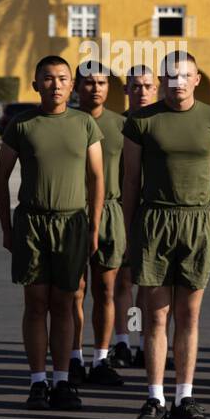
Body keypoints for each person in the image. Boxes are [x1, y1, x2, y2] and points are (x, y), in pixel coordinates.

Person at [122, 50, 210, 419]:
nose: (178, 82)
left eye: (185, 75)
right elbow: (130, 182)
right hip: (154, 221)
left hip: (197, 222)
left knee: (189, 315)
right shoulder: (140, 120)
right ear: (162, 80)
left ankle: (185, 397)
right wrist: (128, 233)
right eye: (171, 76)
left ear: (197, 79)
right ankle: (155, 397)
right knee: (155, 316)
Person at [0, 55, 103, 411]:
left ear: (71, 85)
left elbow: (96, 178)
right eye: (48, 78)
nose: (55, 84)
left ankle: (62, 381)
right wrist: (7, 228)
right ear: (35, 83)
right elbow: (0, 177)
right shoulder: (21, 125)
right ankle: (37, 381)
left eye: (61, 78)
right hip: (32, 225)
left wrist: (94, 226)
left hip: (72, 223)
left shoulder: (85, 124)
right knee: (36, 304)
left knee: (65, 303)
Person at [69, 61, 127, 387]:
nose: (96, 88)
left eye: (102, 82)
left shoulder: (121, 125)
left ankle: (101, 358)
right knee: (75, 291)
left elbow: (134, 176)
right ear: (78, 87)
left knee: (106, 289)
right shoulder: (68, 122)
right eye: (89, 82)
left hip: (111, 212)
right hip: (73, 213)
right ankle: (73, 358)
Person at [111, 64, 157, 368]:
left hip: (156, 214)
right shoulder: (117, 126)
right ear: (126, 90)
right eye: (135, 86)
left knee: (150, 286)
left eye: (147, 86)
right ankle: (123, 342)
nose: (141, 92)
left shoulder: (163, 124)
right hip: (122, 212)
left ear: (157, 89)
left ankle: (145, 343)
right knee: (124, 282)